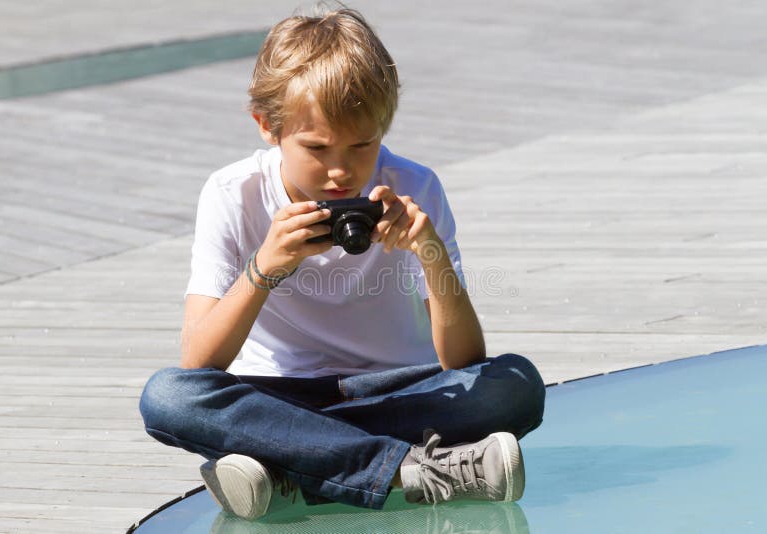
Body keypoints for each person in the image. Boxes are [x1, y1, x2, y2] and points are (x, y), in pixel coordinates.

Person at [139, 6, 545, 520]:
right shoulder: (232, 194)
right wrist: (265, 267)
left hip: (398, 388)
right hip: (278, 396)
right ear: (266, 126)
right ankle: (412, 470)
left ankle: (292, 468)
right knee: (168, 397)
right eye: (316, 147)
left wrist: (429, 252)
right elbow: (199, 362)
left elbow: (463, 361)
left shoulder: (414, 185)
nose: (340, 171)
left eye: (362, 145)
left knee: (515, 384)